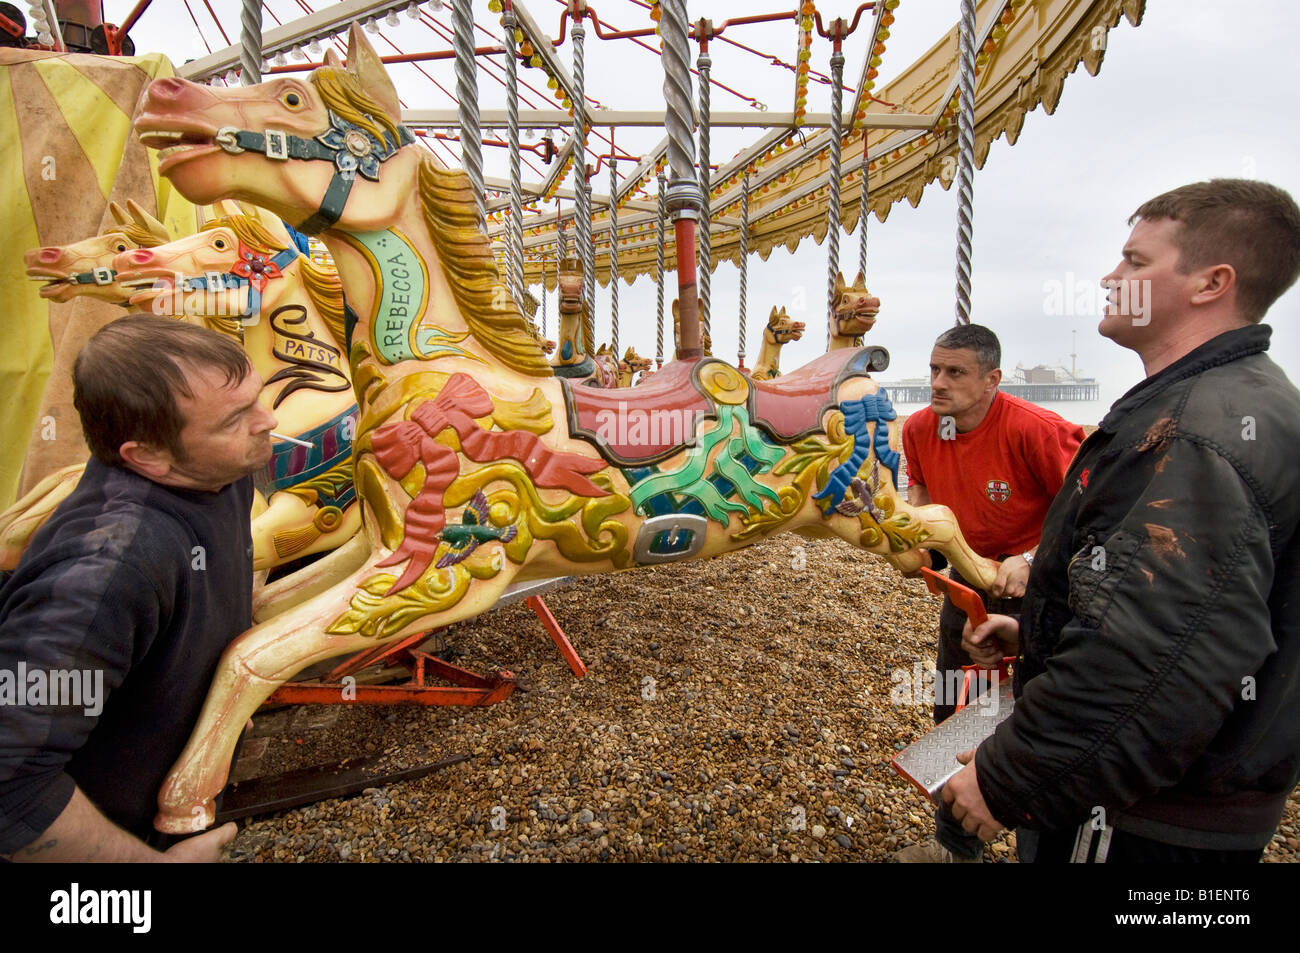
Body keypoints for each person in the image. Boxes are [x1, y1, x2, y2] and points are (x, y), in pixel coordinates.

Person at [947, 178, 1300, 862]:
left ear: (1211, 282)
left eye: (1136, 262)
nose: (1110, 278)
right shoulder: (1231, 401)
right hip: (1181, 804)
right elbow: (1196, 614)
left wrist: (1007, 776)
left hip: (1140, 822)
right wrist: (1040, 628)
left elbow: (1156, 664)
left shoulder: (1195, 433)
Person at [0, 315, 277, 861]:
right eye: (234, 419)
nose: (267, 420)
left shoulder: (219, 472)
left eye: (257, 397)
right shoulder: (107, 570)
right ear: (147, 455)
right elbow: (9, 782)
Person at [894, 324, 1083, 863]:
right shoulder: (920, 430)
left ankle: (1039, 847)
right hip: (966, 590)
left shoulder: (1037, 430)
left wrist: (1028, 560)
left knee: (1036, 721)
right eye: (934, 369)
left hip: (1040, 598)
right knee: (957, 709)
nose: (937, 383)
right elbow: (922, 492)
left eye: (955, 372)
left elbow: (1094, 513)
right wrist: (920, 545)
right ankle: (954, 846)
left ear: (993, 380)